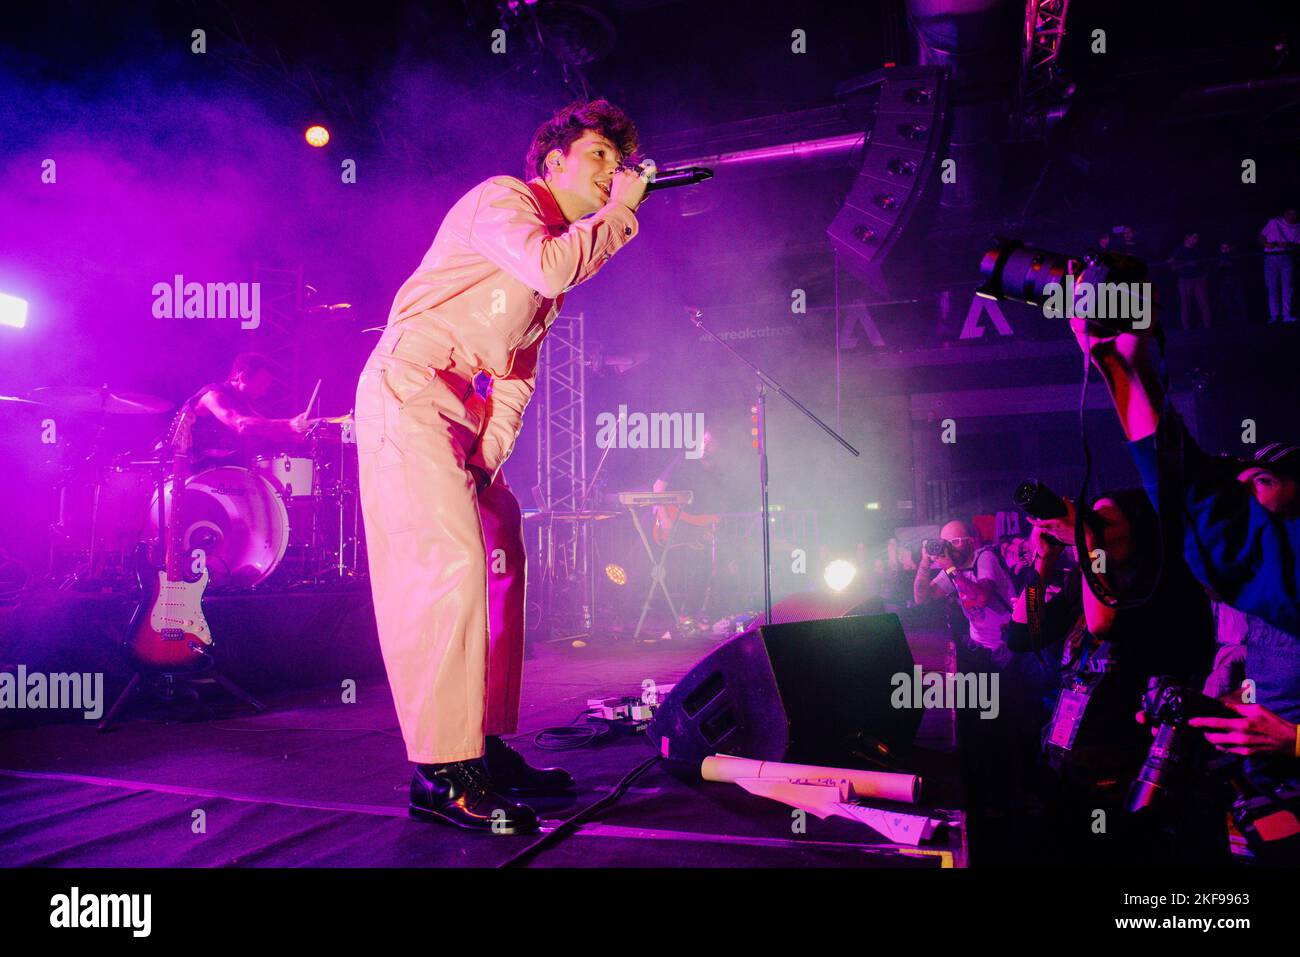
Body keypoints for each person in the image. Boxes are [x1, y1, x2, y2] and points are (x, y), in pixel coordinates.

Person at [355, 99, 648, 834]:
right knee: (447, 562)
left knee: (497, 550)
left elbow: (516, 373)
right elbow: (551, 271)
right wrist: (621, 215)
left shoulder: (550, 244)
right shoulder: (504, 202)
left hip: (462, 409)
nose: (613, 172)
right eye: (599, 158)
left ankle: (480, 746)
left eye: (620, 161)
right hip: (409, 388)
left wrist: (487, 458)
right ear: (554, 163)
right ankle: (441, 771)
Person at [1071, 317, 1300, 863]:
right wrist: (1210, 711)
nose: (1244, 490)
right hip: (1265, 796)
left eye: (1263, 482)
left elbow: (1205, 514)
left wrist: (1295, 742)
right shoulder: (1267, 598)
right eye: (1240, 482)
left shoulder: (1266, 567)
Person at [1006, 491, 1224, 865]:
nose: (1094, 527)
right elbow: (1022, 635)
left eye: (1105, 522)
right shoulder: (1084, 581)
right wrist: (1043, 561)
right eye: (1092, 520)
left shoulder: (1164, 589)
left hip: (1128, 766)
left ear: (1140, 530)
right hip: (1071, 756)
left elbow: (1103, 624)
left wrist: (1089, 543)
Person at [183, 352, 315, 465]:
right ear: (243, 376)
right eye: (261, 384)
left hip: (213, 471)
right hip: (186, 471)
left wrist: (310, 434)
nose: (263, 392)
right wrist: (290, 424)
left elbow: (269, 430)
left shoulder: (241, 402)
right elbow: (241, 425)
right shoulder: (212, 396)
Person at [1259, 208, 1299, 323]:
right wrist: (1267, 244)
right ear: (1285, 214)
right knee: (1272, 287)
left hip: (1286, 256)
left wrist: (1289, 244)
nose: (1292, 216)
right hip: (1271, 257)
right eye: (1290, 213)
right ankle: (1274, 316)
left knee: (1288, 287)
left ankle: (1286, 315)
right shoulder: (1274, 222)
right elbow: (1260, 236)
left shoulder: (1298, 227)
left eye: (1294, 214)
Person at [1168, 231, 1211, 329]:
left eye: (1197, 238)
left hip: (1199, 279)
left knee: (1204, 303)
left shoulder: (1198, 249)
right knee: (1186, 305)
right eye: (1194, 238)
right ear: (1187, 237)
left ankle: (1208, 327)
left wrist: (1204, 276)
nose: (1195, 240)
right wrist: (1187, 264)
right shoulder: (1178, 250)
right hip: (1185, 280)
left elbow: (1205, 265)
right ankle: (1187, 330)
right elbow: (1172, 267)